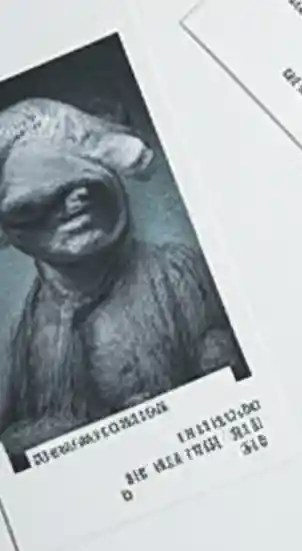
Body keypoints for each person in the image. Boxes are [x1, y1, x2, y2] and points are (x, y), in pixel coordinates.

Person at [0, 98, 244, 456]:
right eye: (40, 203)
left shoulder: (180, 276)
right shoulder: (21, 331)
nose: (73, 204)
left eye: (82, 187)